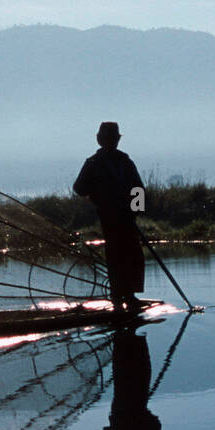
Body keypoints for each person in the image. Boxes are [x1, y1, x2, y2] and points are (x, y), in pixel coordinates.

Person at [73, 121, 145, 311]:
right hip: (109, 217)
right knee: (116, 255)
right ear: (101, 140)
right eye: (109, 138)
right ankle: (118, 297)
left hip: (127, 217)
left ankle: (129, 295)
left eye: (113, 138)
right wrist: (99, 197)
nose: (111, 142)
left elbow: (138, 188)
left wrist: (135, 211)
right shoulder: (93, 163)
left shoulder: (125, 161)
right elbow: (79, 188)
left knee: (132, 254)